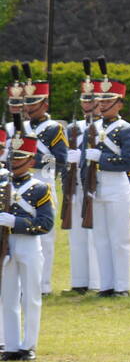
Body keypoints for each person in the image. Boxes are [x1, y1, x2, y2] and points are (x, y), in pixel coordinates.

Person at [0, 135, 54, 360]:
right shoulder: (2, 185)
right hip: (6, 245)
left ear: (31, 161)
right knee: (8, 296)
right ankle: (11, 345)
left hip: (29, 244)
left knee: (31, 296)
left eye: (20, 158)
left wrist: (17, 223)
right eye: (13, 157)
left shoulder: (40, 188)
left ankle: (28, 345)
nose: (15, 163)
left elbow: (46, 223)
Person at [86, 76, 130, 296]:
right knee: (101, 239)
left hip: (117, 184)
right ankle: (106, 284)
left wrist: (102, 159)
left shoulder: (126, 129)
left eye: (109, 100)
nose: (103, 104)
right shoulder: (92, 127)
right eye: (101, 99)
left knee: (119, 239)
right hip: (97, 186)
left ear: (119, 103)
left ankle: (122, 286)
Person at [19, 78, 66, 295]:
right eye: (27, 103)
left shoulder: (54, 128)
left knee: (45, 237)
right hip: (20, 184)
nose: (29, 108)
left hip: (43, 183)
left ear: (44, 104)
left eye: (33, 103)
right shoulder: (21, 127)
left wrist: (32, 159)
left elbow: (60, 160)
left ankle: (43, 285)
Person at [64, 78, 99, 293]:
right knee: (76, 236)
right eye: (84, 100)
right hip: (73, 184)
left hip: (93, 183)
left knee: (94, 235)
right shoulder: (71, 129)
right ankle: (79, 281)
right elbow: (52, 157)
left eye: (91, 100)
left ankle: (96, 281)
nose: (86, 104)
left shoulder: (101, 128)